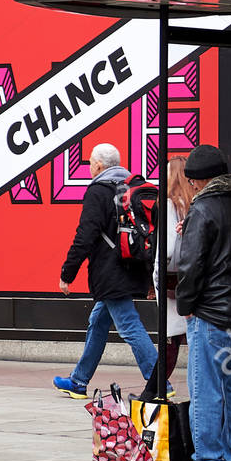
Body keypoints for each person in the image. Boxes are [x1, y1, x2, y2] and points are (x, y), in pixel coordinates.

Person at [170, 144, 231, 461]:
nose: (192, 187)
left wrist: (186, 306)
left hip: (210, 313)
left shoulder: (203, 208)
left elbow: (192, 266)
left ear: (200, 181)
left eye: (193, 183)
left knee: (206, 389)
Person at [53, 143, 159, 396]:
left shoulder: (98, 191)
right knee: (98, 322)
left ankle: (158, 381)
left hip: (111, 273)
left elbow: (86, 234)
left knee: (129, 325)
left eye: (90, 163)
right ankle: (79, 381)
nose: (90, 168)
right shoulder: (130, 187)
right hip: (132, 267)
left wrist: (68, 273)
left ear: (98, 166)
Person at [139, 156, 194, 401]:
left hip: (172, 281)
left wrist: (158, 276)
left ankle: (152, 392)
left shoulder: (170, 204)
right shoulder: (192, 203)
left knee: (170, 341)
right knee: (183, 339)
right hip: (189, 280)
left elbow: (168, 248)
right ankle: (153, 390)